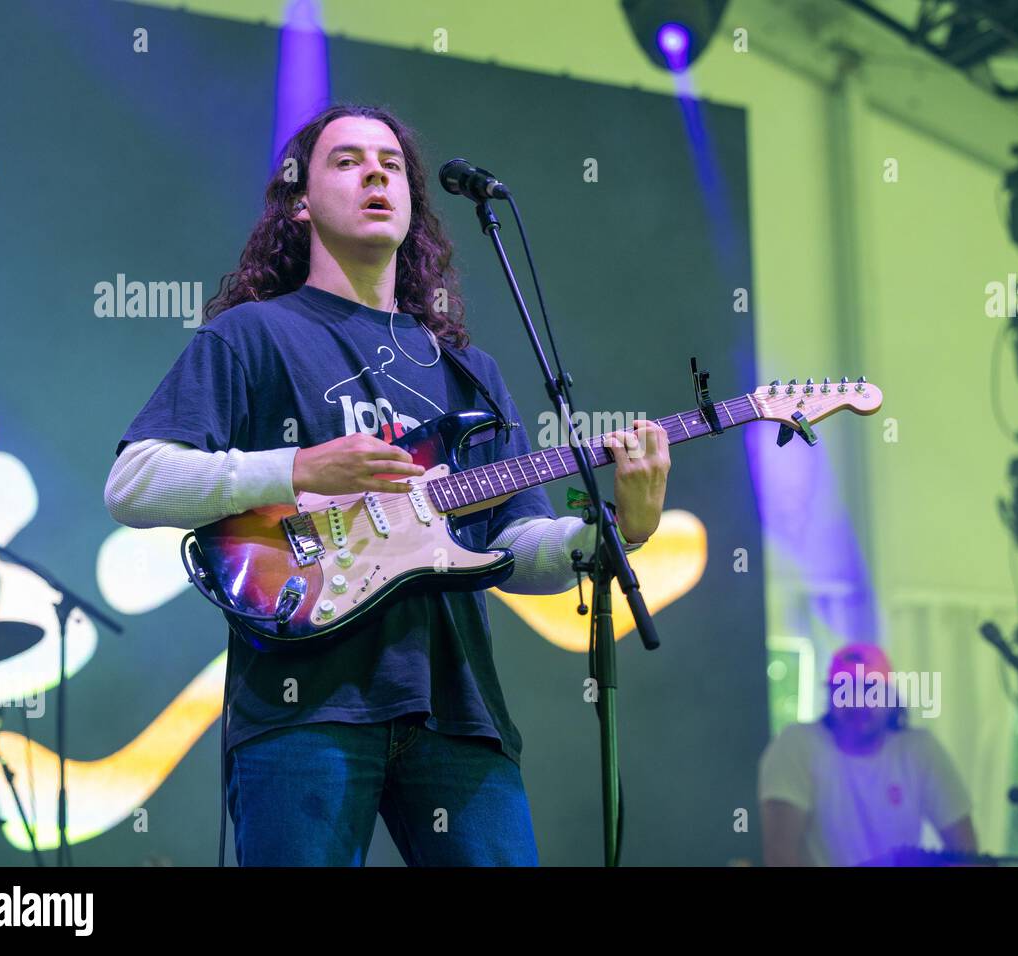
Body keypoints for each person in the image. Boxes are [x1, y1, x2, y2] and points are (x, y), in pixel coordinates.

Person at [103, 103, 671, 866]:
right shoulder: (255, 334)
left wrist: (614, 531)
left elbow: (517, 550)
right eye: (347, 161)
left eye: (392, 164)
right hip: (304, 707)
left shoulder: (469, 373)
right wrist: (299, 469)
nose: (376, 171)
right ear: (300, 201)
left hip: (459, 713)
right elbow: (133, 483)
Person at [758, 643, 976, 866]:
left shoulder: (920, 750)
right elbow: (779, 855)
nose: (857, 701)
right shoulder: (797, 744)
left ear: (891, 697)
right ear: (830, 695)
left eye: (870, 690)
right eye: (845, 690)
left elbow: (967, 853)